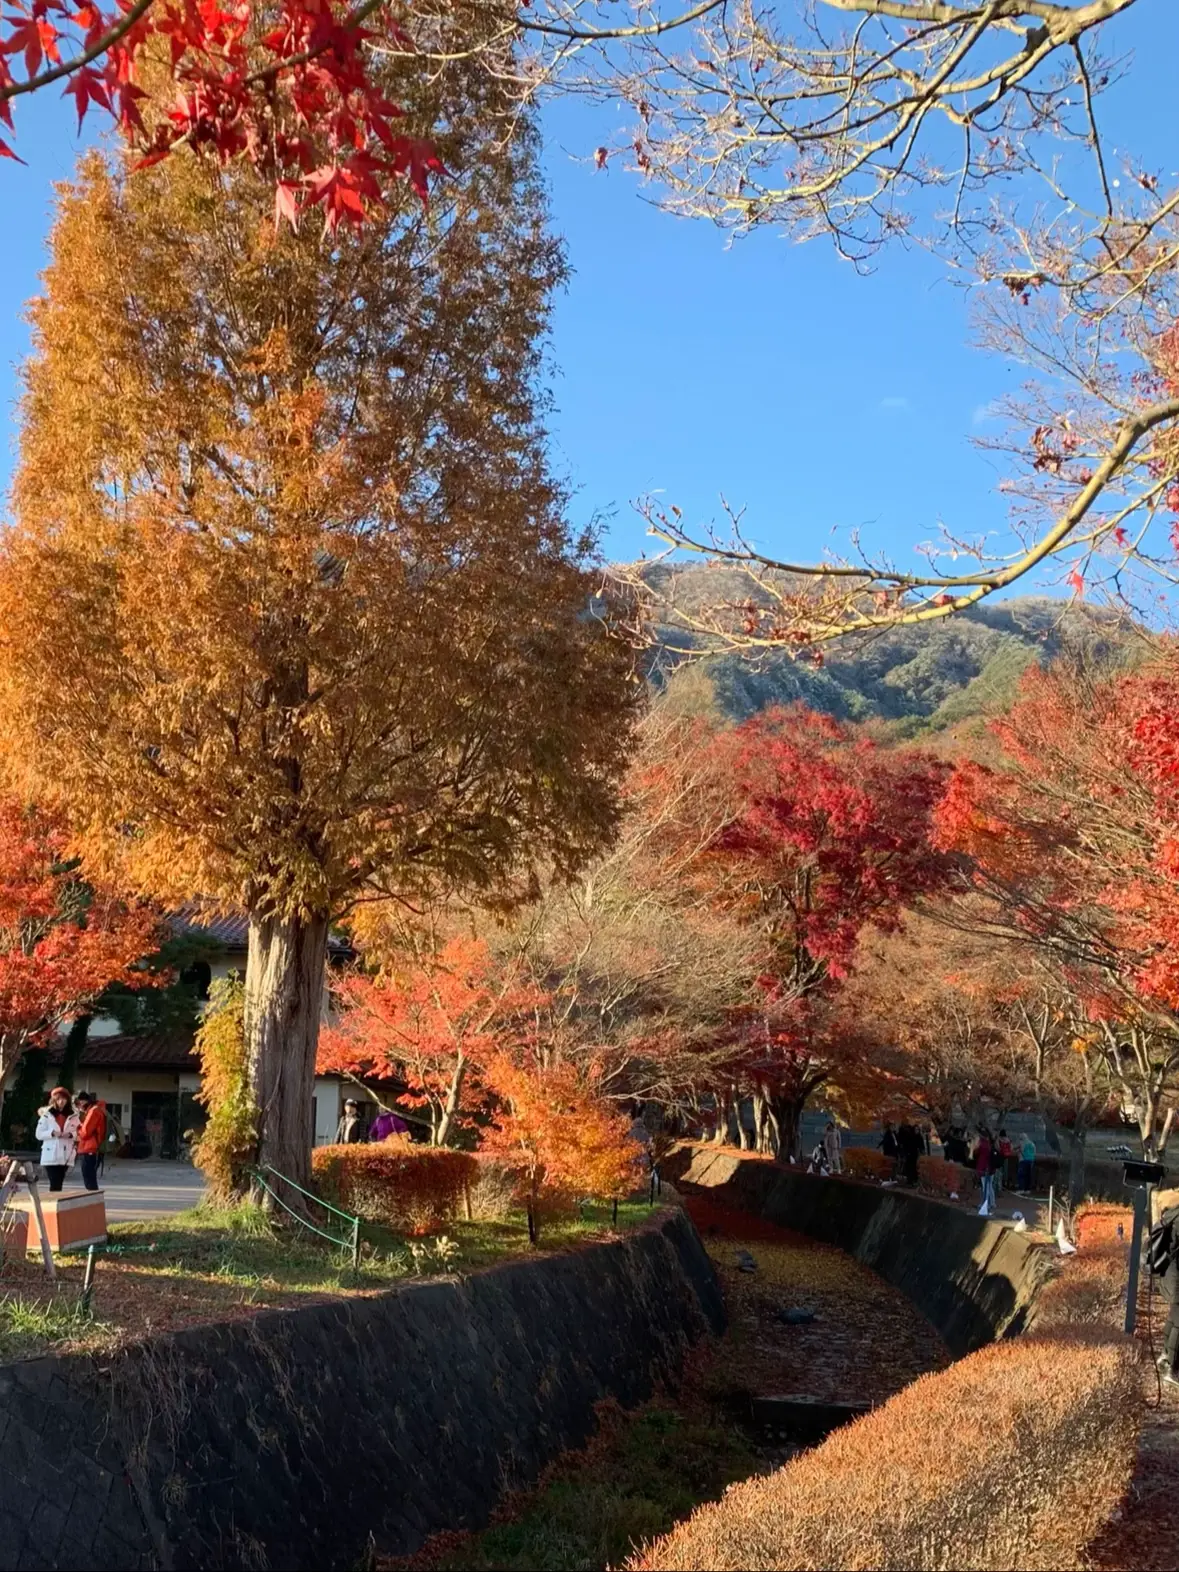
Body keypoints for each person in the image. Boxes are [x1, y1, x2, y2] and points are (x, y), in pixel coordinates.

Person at [1148, 1199, 1179, 1387]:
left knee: (1175, 1315)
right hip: (1177, 1273)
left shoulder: (1175, 1211)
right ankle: (1173, 1369)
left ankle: (1166, 1354)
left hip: (1170, 1271)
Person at [35, 1087, 79, 1193]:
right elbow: (38, 1134)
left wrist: (70, 1135)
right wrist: (52, 1133)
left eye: (64, 1099)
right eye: (58, 1099)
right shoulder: (47, 1115)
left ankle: (55, 1204)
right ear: (54, 1100)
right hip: (51, 1154)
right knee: (55, 1183)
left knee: (59, 1182)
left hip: (66, 1154)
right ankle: (53, 1204)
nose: (61, 1101)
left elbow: (79, 1132)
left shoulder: (73, 1115)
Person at [73, 1090, 107, 1192]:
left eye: (77, 1105)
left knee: (89, 1179)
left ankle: (94, 1202)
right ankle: (94, 1201)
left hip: (90, 1148)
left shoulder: (93, 1111)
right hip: (90, 1147)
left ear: (82, 1102)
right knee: (90, 1178)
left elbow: (85, 1132)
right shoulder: (93, 1110)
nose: (78, 1108)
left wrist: (77, 1126)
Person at [976, 1128, 995, 1213]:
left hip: (984, 1167)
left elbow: (976, 1152)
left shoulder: (982, 1144)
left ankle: (985, 1203)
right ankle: (992, 1202)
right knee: (990, 1186)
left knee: (985, 1186)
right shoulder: (990, 1144)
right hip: (991, 1168)